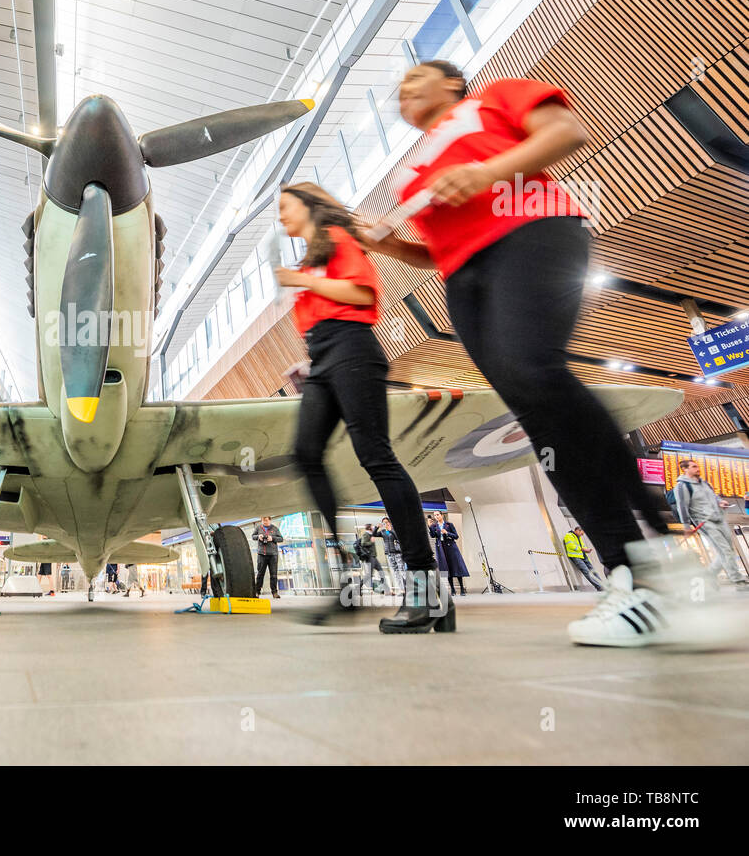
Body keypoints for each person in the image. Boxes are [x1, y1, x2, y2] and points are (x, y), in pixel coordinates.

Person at [362, 60, 703, 647]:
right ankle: (629, 568)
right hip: (464, 280)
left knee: (531, 369)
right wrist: (391, 244)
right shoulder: (410, 171)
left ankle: (652, 535)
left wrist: (488, 170)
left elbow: (566, 133)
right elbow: (438, 250)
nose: (405, 90)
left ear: (452, 83)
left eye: (417, 77)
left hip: (532, 235)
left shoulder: (491, 100)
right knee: (535, 412)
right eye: (398, 90)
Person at [275, 182, 449, 634]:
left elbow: (361, 296)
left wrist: (304, 282)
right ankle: (343, 576)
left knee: (376, 456)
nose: (280, 216)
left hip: (354, 352)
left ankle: (426, 585)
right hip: (325, 358)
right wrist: (309, 358)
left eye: (284, 207)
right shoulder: (314, 255)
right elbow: (326, 315)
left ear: (309, 206)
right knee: (305, 454)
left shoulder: (338, 238)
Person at [673, 459, 749, 588]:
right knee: (725, 550)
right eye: (694, 467)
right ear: (685, 469)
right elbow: (682, 507)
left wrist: (720, 502)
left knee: (728, 550)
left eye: (697, 466)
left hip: (719, 518)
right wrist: (686, 526)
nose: (698, 468)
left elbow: (714, 496)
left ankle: (708, 575)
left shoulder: (704, 483)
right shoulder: (682, 486)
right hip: (705, 522)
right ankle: (737, 580)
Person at [429, 512, 468, 596]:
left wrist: (447, 532)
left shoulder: (449, 524)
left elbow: (456, 536)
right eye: (435, 515)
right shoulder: (434, 526)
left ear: (442, 515)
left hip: (451, 548)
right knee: (446, 568)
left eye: (438, 514)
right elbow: (433, 536)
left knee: (456, 567)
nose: (436, 516)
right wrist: (430, 527)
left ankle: (461, 589)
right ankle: (452, 589)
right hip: (441, 549)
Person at [563, 525, 604, 591]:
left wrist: (587, 550)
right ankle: (599, 587)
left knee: (593, 571)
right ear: (577, 530)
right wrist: (583, 549)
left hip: (583, 556)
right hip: (576, 557)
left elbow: (582, 546)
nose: (581, 535)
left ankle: (602, 585)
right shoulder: (569, 536)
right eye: (581, 533)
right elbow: (572, 546)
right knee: (587, 572)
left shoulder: (578, 537)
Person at [252, 515, 284, 598]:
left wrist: (272, 538)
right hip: (261, 554)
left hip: (273, 555)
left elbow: (281, 538)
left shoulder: (275, 528)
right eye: (263, 520)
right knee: (260, 574)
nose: (264, 522)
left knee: (273, 574)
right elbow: (253, 536)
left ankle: (274, 593)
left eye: (266, 520)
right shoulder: (258, 528)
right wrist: (258, 537)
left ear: (270, 520)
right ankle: (257, 592)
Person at [356, 524, 388, 595]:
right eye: (372, 526)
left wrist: (377, 527)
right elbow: (363, 543)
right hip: (370, 557)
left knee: (381, 572)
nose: (373, 527)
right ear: (369, 528)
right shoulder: (366, 534)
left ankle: (385, 589)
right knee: (369, 575)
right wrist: (371, 542)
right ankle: (358, 587)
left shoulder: (370, 534)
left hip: (373, 557)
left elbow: (374, 533)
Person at [380, 517, 406, 594]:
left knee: (402, 571)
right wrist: (378, 527)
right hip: (390, 554)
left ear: (389, 522)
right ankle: (402, 590)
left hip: (397, 553)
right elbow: (375, 534)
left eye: (386, 522)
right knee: (396, 572)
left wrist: (391, 530)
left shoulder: (394, 530)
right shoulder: (384, 532)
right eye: (384, 523)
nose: (385, 524)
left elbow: (398, 538)